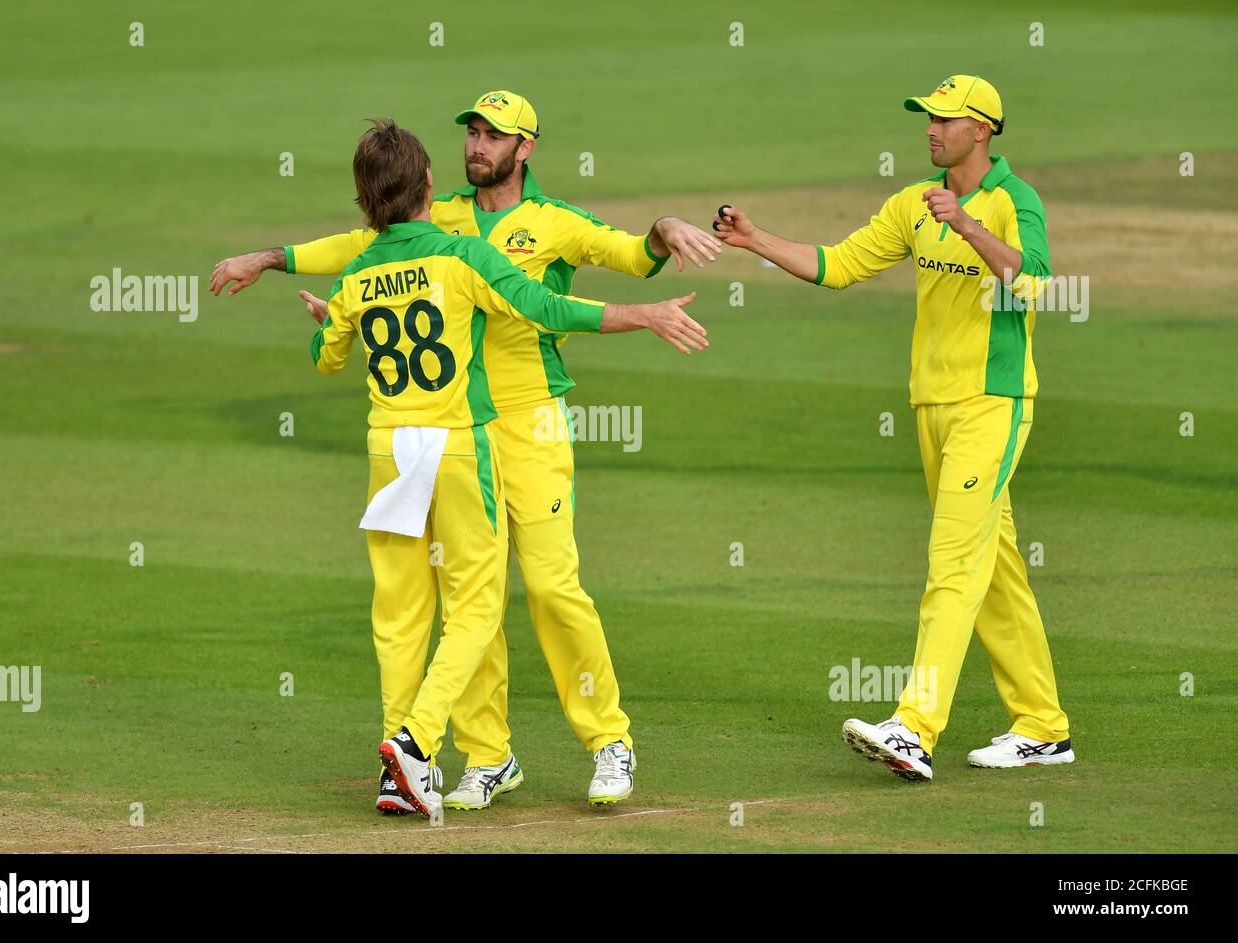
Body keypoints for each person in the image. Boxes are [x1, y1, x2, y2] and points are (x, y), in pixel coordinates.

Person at [211, 90, 720, 809]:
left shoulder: (557, 222)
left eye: (494, 135)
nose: (477, 145)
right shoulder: (440, 215)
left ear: (526, 147)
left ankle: (609, 739)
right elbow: (360, 248)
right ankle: (488, 754)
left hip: (532, 425)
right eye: (472, 132)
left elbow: (635, 259)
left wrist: (664, 228)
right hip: (459, 430)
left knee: (549, 586)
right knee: (465, 594)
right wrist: (271, 258)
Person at [712, 75, 1071, 781]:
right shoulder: (913, 203)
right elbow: (839, 265)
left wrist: (967, 225)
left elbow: (1033, 281)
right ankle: (1042, 725)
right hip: (931, 406)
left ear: (984, 129)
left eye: (945, 118)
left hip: (993, 403)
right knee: (993, 569)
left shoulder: (1011, 200)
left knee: (951, 564)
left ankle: (915, 724)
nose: (931, 128)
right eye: (927, 118)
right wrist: (755, 241)